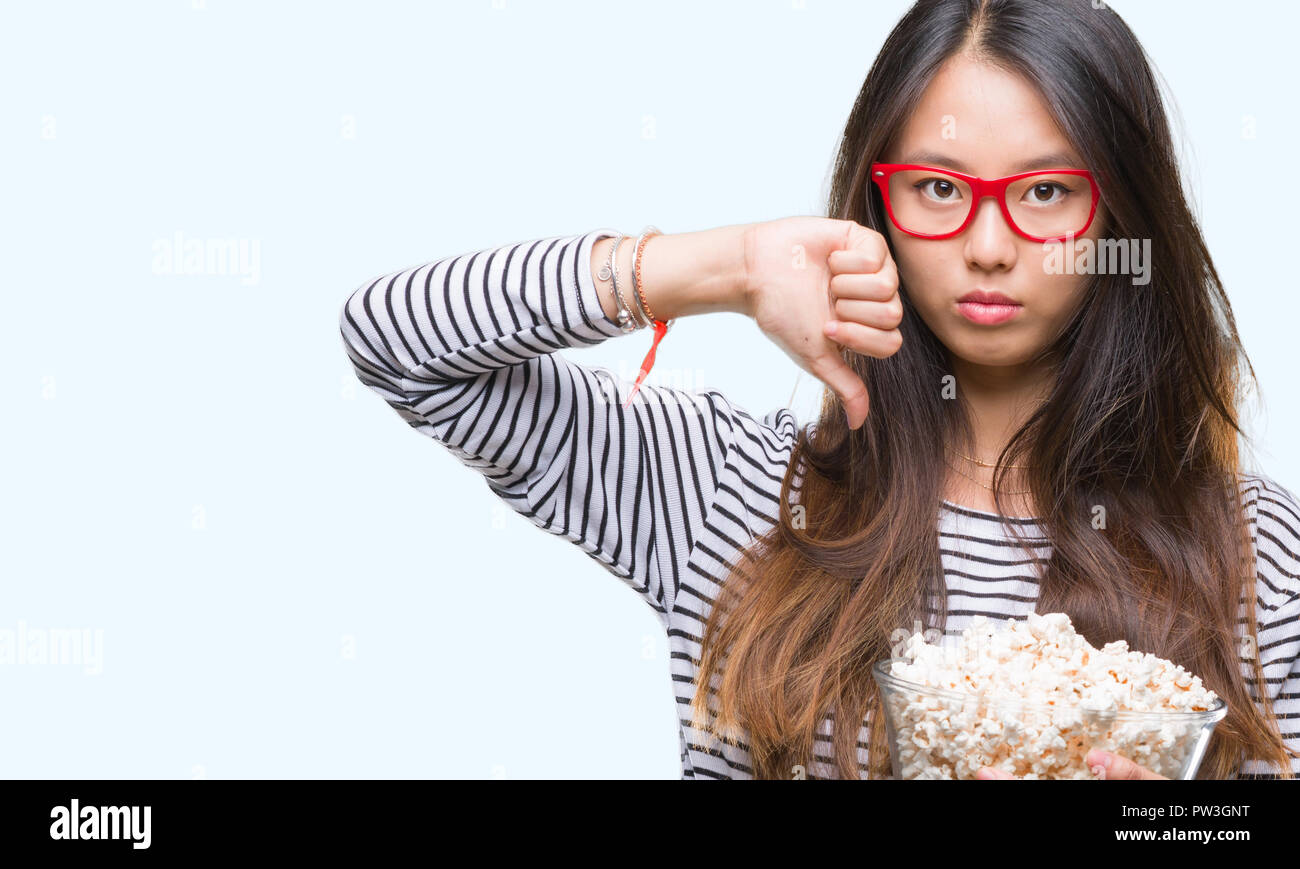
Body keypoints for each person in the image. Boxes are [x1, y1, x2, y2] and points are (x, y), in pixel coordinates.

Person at [338, 0, 1300, 779]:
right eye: (938, 187)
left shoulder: (1252, 552)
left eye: (1046, 191)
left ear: (1120, 212)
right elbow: (397, 338)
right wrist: (726, 267)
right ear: (875, 203)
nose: (991, 245)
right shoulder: (732, 493)